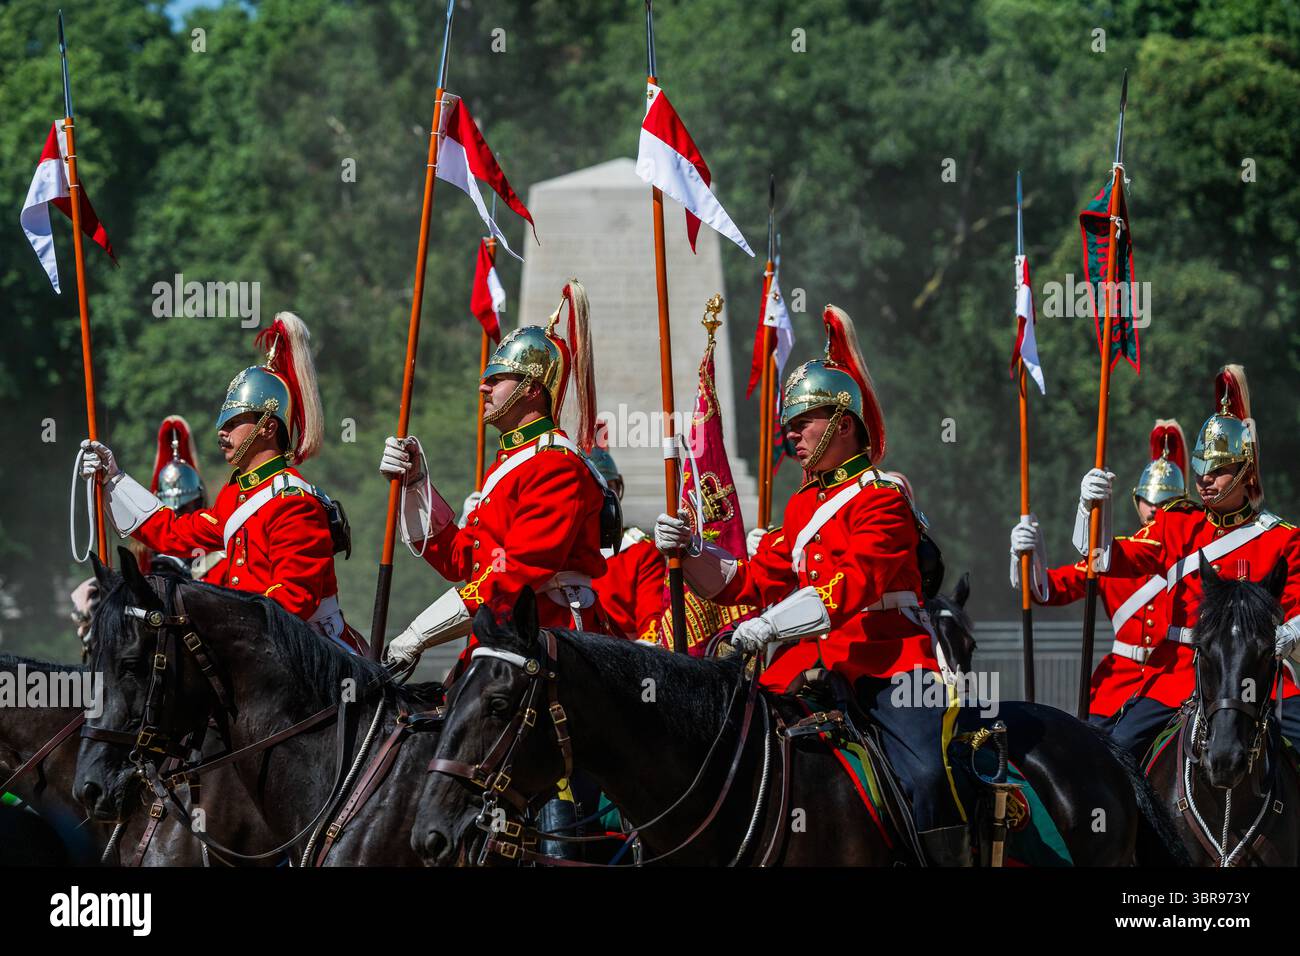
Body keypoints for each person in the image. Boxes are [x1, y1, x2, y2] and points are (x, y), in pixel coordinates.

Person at [655, 305, 970, 865]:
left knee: (926, 773)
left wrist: (767, 625)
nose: (791, 434)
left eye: (803, 422)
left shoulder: (882, 498)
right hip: (806, 668)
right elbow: (747, 581)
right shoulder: (802, 506)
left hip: (890, 668)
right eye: (789, 425)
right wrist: (691, 550)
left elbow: (849, 587)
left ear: (843, 424)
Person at [79, 312, 364, 654]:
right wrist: (114, 480)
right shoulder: (238, 495)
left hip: (309, 652)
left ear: (268, 428)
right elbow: (176, 533)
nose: (222, 434)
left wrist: (218, 619)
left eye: (233, 423)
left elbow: (292, 601)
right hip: (256, 649)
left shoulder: (294, 503)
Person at [379, 280, 618, 668]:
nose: (482, 387)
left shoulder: (556, 465)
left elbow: (517, 572)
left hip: (545, 639)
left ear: (531, 389)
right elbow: (461, 561)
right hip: (499, 637)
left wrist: (421, 631)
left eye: (495, 379)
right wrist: (415, 485)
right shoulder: (512, 463)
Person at [1063, 366, 1300, 745]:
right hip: (1177, 672)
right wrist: (1091, 507)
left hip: (1251, 673)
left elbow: (1297, 611)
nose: (1205, 478)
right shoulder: (1175, 522)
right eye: (1202, 466)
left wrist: (1288, 634)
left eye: (1219, 469)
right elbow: (1105, 558)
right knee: (1120, 749)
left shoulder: (1281, 539)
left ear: (1244, 471)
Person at [1010, 420, 1194, 758]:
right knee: (1083, 754)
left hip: (1175, 678)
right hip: (1118, 683)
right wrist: (1028, 556)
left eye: (1166, 501)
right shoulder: (1113, 553)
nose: (1155, 509)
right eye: (1148, 501)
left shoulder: (1192, 555)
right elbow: (1050, 589)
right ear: (1136, 501)